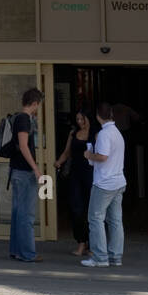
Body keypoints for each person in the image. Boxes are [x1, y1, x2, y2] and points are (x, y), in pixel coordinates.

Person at [82, 101, 126, 268]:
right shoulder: (117, 133)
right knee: (115, 220)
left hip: (104, 183)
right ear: (112, 115)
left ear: (98, 116)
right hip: (119, 181)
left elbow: (102, 156)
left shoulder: (104, 135)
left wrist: (88, 155)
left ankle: (100, 257)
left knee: (95, 218)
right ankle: (116, 256)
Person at [8, 87, 44, 263]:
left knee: (17, 213)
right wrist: (35, 168)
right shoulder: (24, 119)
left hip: (16, 170)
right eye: (38, 105)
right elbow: (23, 146)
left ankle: (16, 250)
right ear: (35, 103)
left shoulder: (16, 118)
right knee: (26, 215)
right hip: (24, 172)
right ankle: (28, 253)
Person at [55, 106, 96, 257]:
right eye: (77, 119)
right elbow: (67, 152)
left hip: (91, 174)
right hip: (75, 174)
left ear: (88, 119)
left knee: (91, 209)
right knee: (76, 208)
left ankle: (93, 244)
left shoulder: (96, 134)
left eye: (82, 119)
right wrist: (59, 162)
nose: (79, 122)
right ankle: (81, 242)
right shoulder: (73, 133)